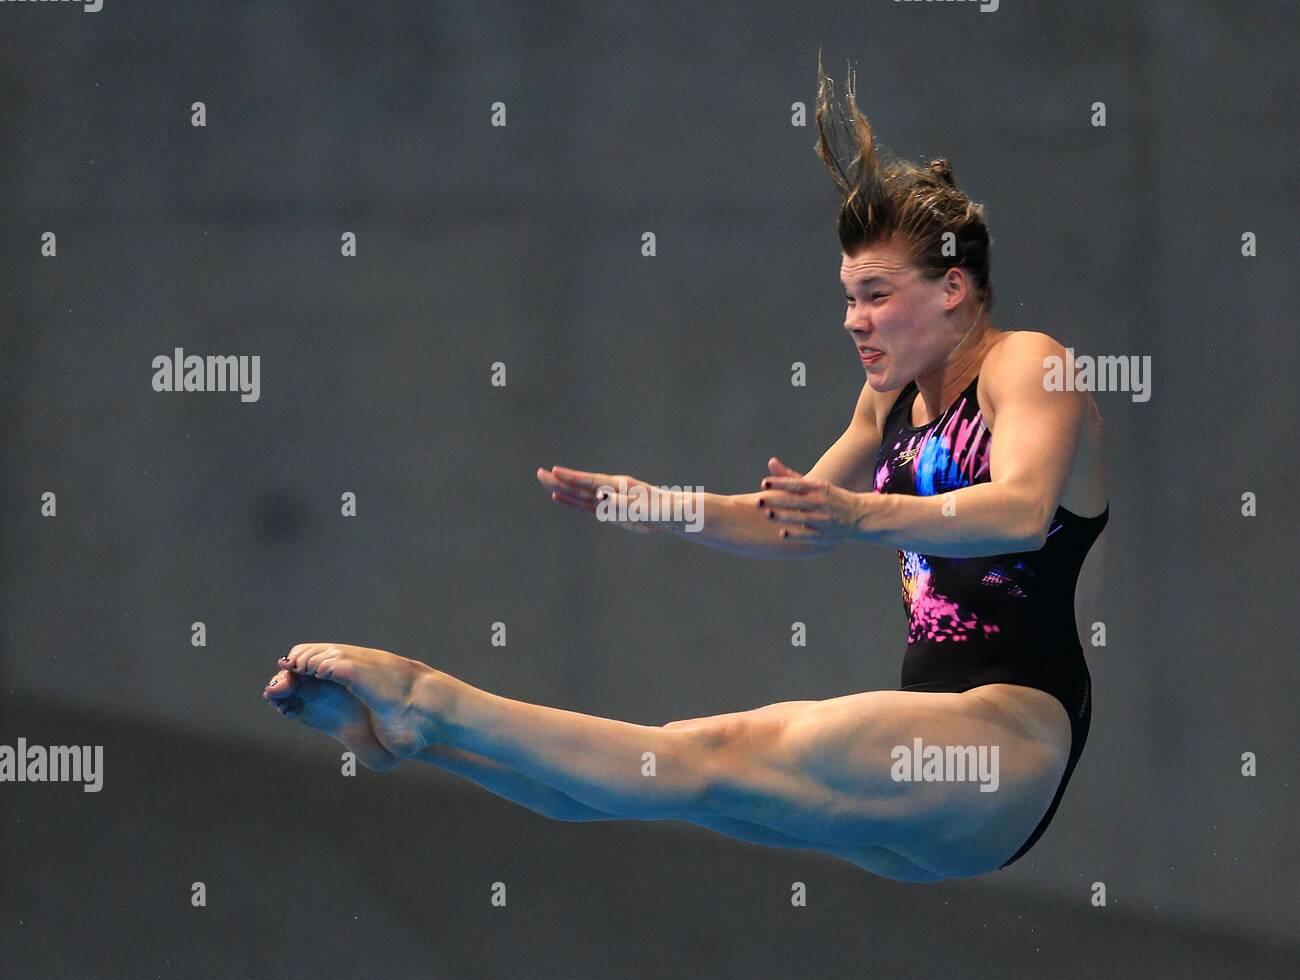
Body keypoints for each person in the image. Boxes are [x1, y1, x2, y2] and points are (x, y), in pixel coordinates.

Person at [263, 60, 1108, 881]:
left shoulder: (1027, 365)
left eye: (877, 295)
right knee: (669, 784)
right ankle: (411, 740)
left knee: (702, 756)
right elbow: (789, 522)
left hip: (1010, 741)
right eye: (848, 297)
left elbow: (1022, 511)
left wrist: (857, 515)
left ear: (954, 287)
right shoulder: (886, 404)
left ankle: (427, 699)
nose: (854, 320)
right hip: (933, 769)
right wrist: (657, 505)